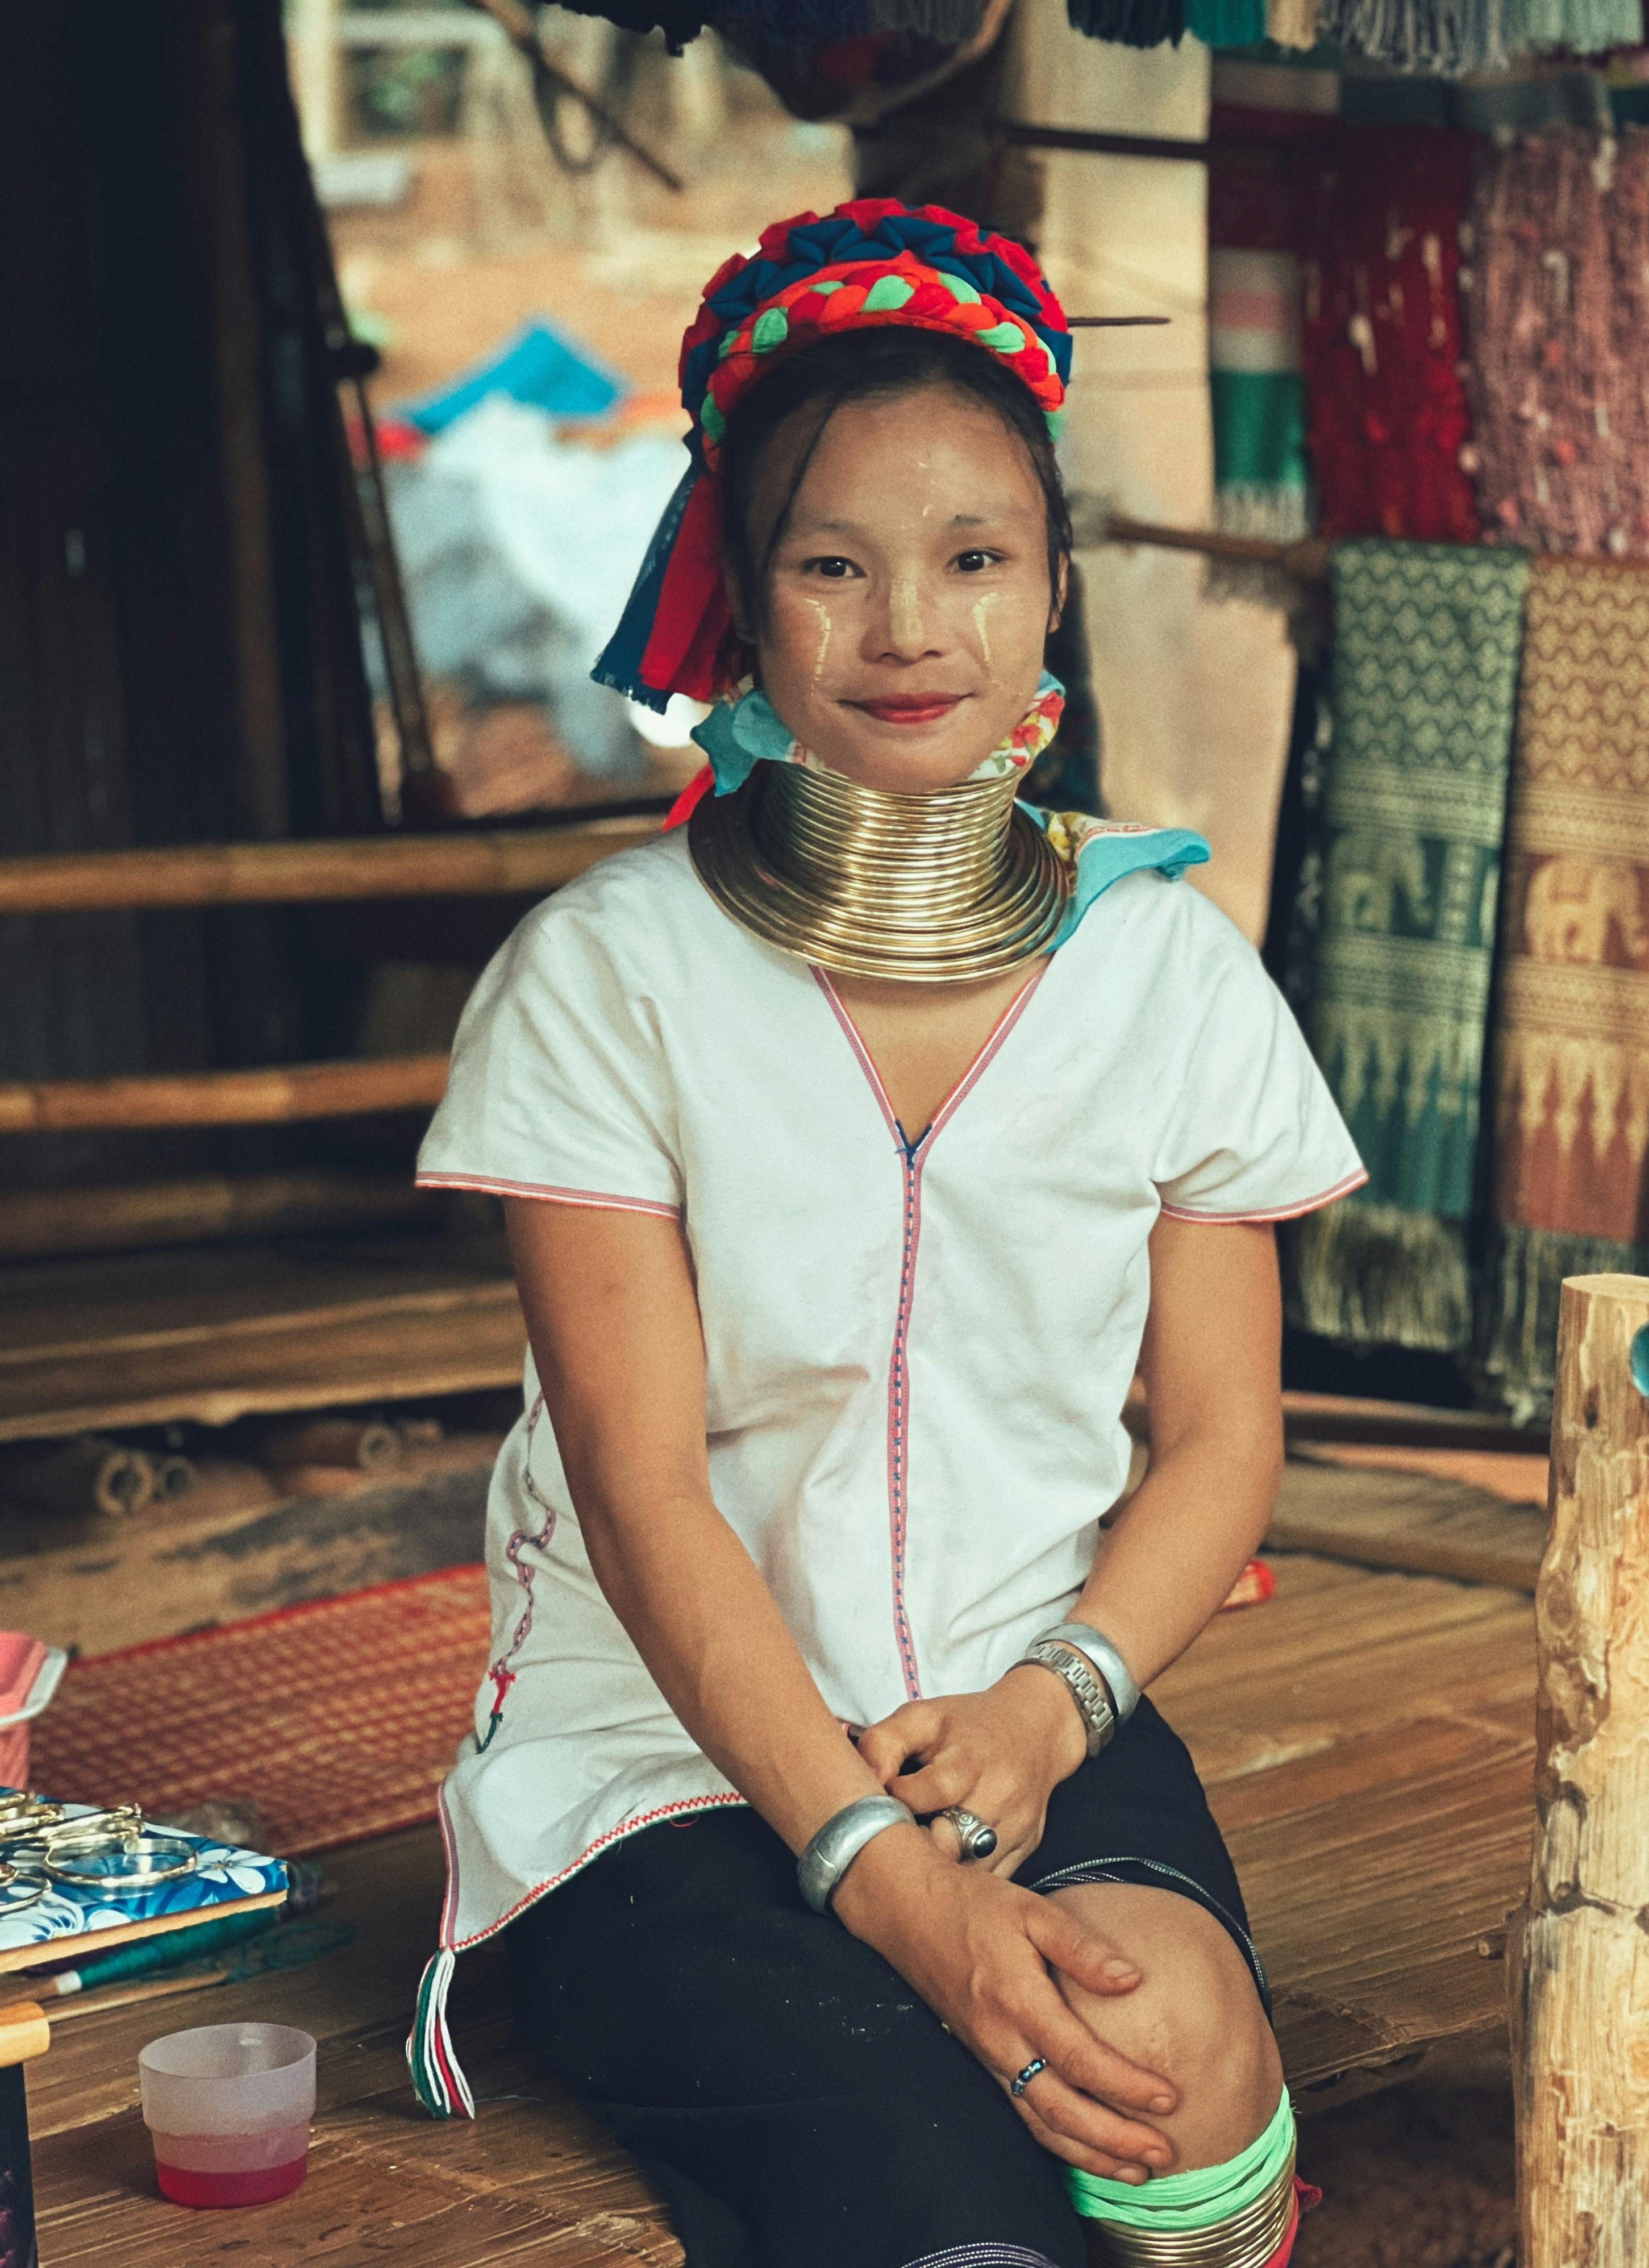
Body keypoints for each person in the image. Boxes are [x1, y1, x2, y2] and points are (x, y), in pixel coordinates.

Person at [410, 201, 1364, 2268]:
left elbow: (1217, 1443)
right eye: (832, 564)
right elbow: (641, 1482)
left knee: (1169, 2078)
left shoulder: (1171, 974)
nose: (911, 626)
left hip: (1028, 1712)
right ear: (740, 607)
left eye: (976, 559)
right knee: (926, 2169)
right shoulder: (607, 978)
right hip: (663, 1750)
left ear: (1051, 598)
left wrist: (1054, 1709)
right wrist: (892, 1885)